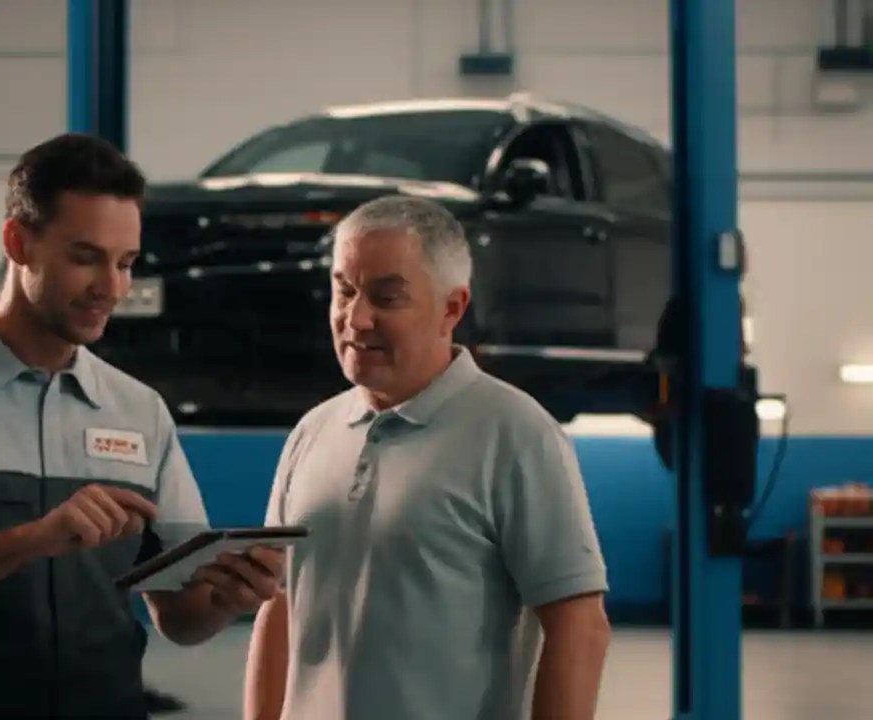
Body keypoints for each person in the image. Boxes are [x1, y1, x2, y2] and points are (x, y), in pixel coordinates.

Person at [0, 132, 284, 720]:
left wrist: (226, 597)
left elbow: (180, 619)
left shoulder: (140, 411)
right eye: (85, 257)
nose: (112, 288)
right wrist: (29, 541)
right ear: (18, 241)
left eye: (125, 264)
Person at [243, 195, 612, 720]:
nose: (355, 318)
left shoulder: (515, 433)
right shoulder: (312, 431)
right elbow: (280, 606)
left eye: (386, 298)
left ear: (452, 308)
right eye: (344, 291)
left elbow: (580, 625)